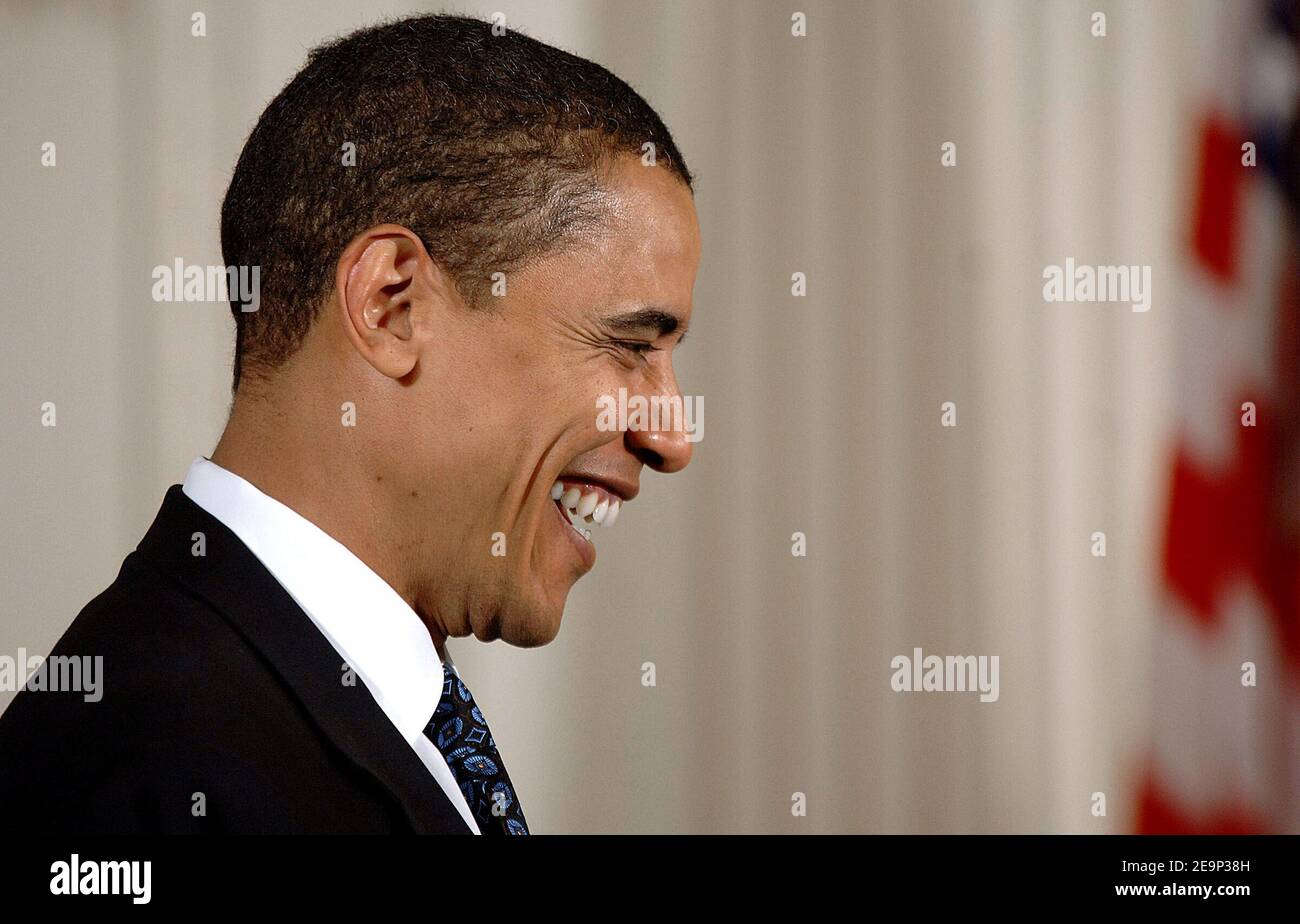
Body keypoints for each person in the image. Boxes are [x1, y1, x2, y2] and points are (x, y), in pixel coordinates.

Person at [0, 13, 699, 834]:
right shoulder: (140, 774)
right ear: (390, 304)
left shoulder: (306, 710)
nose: (674, 437)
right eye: (628, 344)